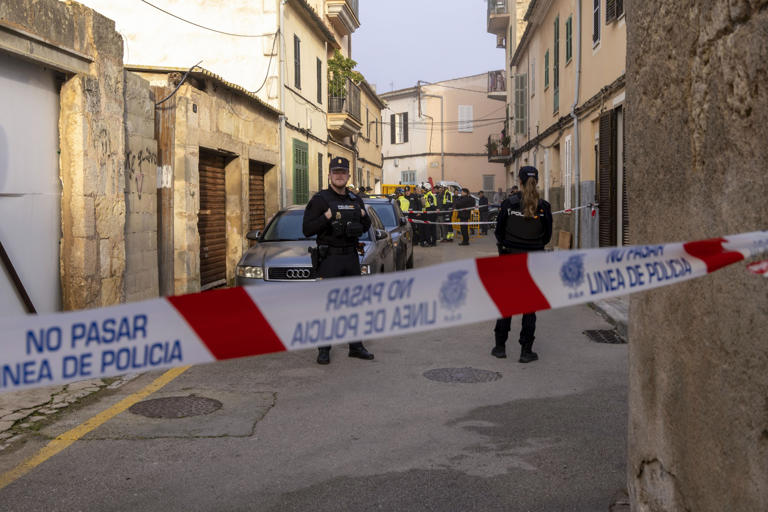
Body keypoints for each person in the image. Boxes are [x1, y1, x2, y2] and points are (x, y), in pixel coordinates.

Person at [302, 156, 375, 365]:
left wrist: (361, 217)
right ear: (329, 176)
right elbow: (306, 229)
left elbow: (366, 224)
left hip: (350, 256)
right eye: (336, 173)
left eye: (343, 173)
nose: (339, 176)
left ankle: (356, 346)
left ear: (348, 176)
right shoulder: (320, 200)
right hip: (330, 258)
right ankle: (324, 349)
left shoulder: (355, 199)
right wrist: (326, 216)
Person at [492, 166, 553, 363]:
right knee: (529, 308)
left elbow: (499, 231)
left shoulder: (508, 204)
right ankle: (526, 351)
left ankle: (500, 347)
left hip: (510, 258)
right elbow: (547, 236)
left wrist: (508, 245)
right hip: (533, 260)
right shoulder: (543, 206)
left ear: (519, 181)